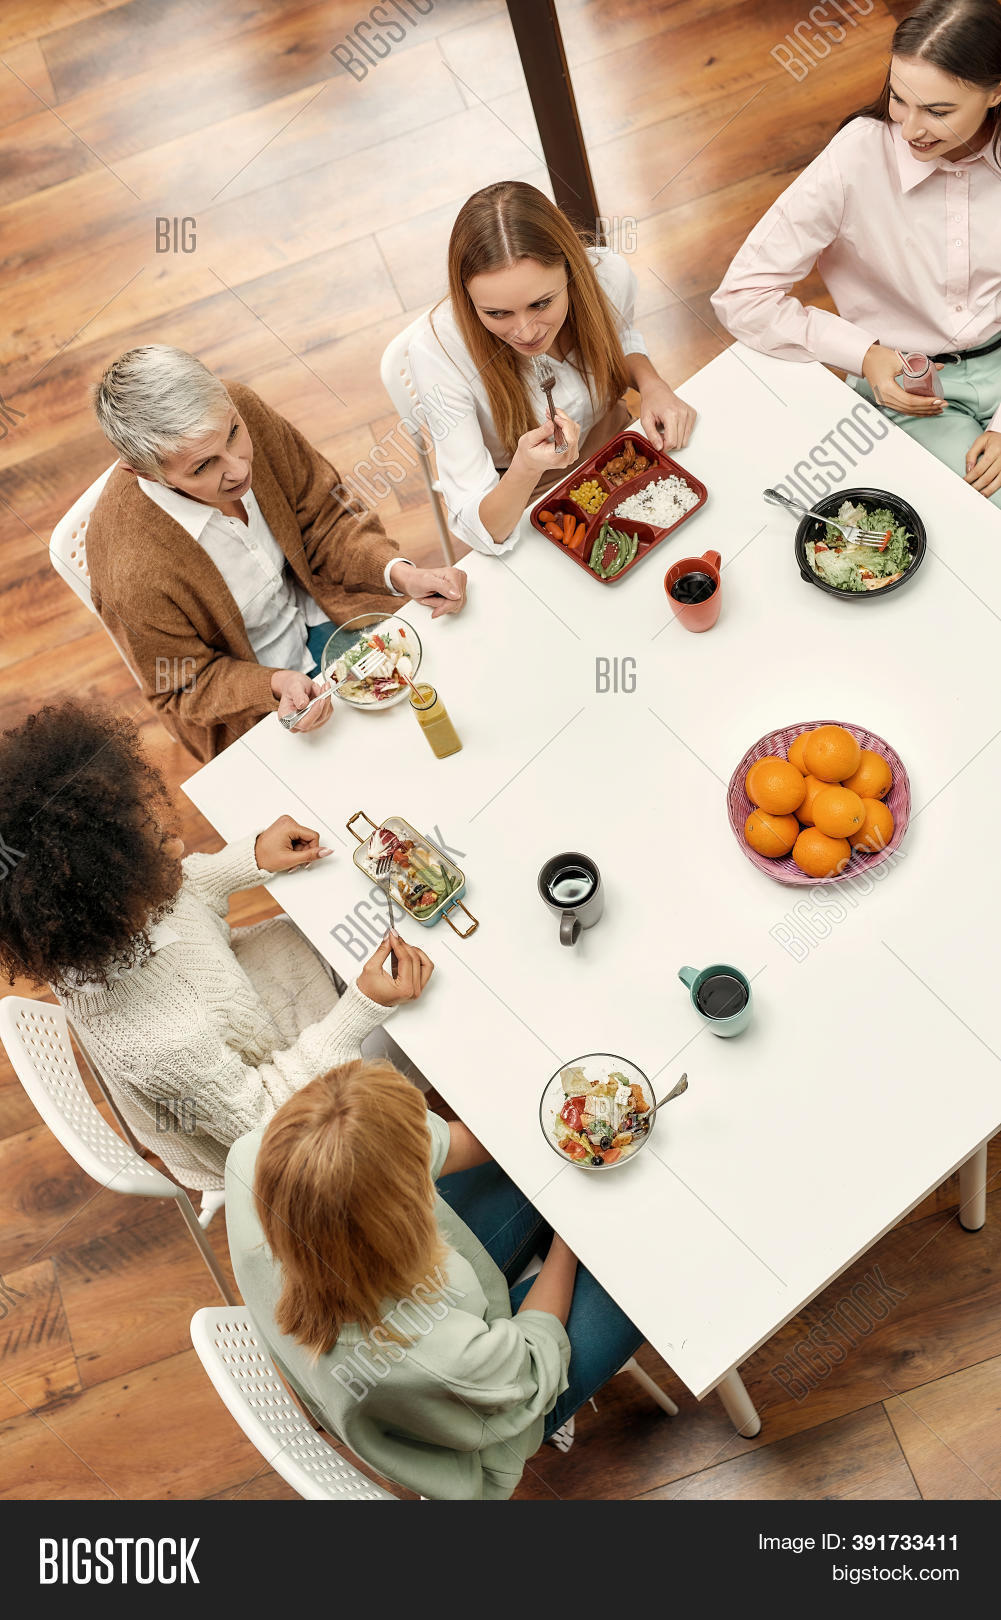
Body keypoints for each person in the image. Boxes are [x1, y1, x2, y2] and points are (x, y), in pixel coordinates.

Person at [0, 703, 433, 1192]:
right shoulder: (162, 1043)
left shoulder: (81, 921)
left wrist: (247, 859)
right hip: (281, 1130)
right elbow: (273, 1123)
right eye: (141, 837)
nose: (171, 841)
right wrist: (359, 1010)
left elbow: (177, 894)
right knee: (433, 1027)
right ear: (111, 883)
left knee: (353, 931)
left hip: (247, 1012)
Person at [225, 1059, 648, 1501]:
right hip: (484, 1417)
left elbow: (440, 1145)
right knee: (636, 1272)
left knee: (536, 1164)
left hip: (417, 1338)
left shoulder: (253, 1156)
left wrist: (560, 1131)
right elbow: (533, 1354)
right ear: (396, 1214)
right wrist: (571, 1233)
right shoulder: (433, 1358)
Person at [87, 346, 468, 761]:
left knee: (456, 692)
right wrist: (273, 684)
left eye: (234, 433)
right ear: (144, 473)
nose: (238, 469)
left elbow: (324, 516)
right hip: (253, 694)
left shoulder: (238, 406)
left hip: (325, 604)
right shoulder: (128, 571)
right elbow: (184, 683)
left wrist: (396, 573)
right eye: (203, 467)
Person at [712, 0, 1001, 508]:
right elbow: (742, 295)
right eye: (900, 98)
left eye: (938, 111)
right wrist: (863, 355)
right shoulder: (857, 157)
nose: (911, 129)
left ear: (996, 92)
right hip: (910, 387)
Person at [408, 180, 697, 554]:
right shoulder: (439, 353)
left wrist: (651, 383)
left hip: (616, 448)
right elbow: (484, 527)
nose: (526, 332)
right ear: (466, 298)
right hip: (525, 499)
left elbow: (620, 339)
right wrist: (527, 468)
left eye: (542, 303)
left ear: (572, 269)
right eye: (496, 313)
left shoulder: (608, 274)